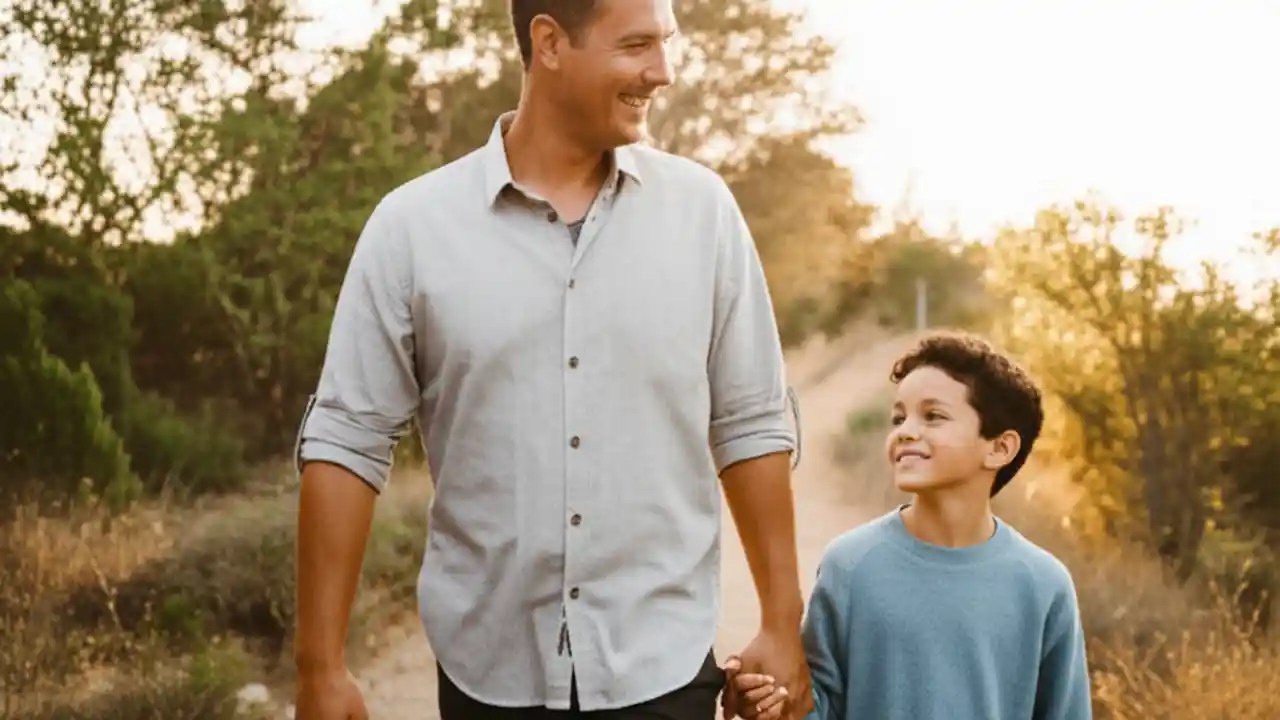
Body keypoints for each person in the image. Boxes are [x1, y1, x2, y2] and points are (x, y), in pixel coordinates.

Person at [291, 1, 814, 718]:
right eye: (636, 45)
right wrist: (320, 668)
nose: (662, 72)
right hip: (487, 673)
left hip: (661, 666)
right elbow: (346, 443)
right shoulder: (412, 229)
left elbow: (750, 423)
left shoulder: (703, 213)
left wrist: (782, 624)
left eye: (665, 44)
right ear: (549, 43)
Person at [728, 331, 1092, 720]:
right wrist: (769, 703)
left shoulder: (1042, 584)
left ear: (999, 448)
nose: (905, 431)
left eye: (933, 416)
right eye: (899, 417)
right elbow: (815, 707)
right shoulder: (851, 566)